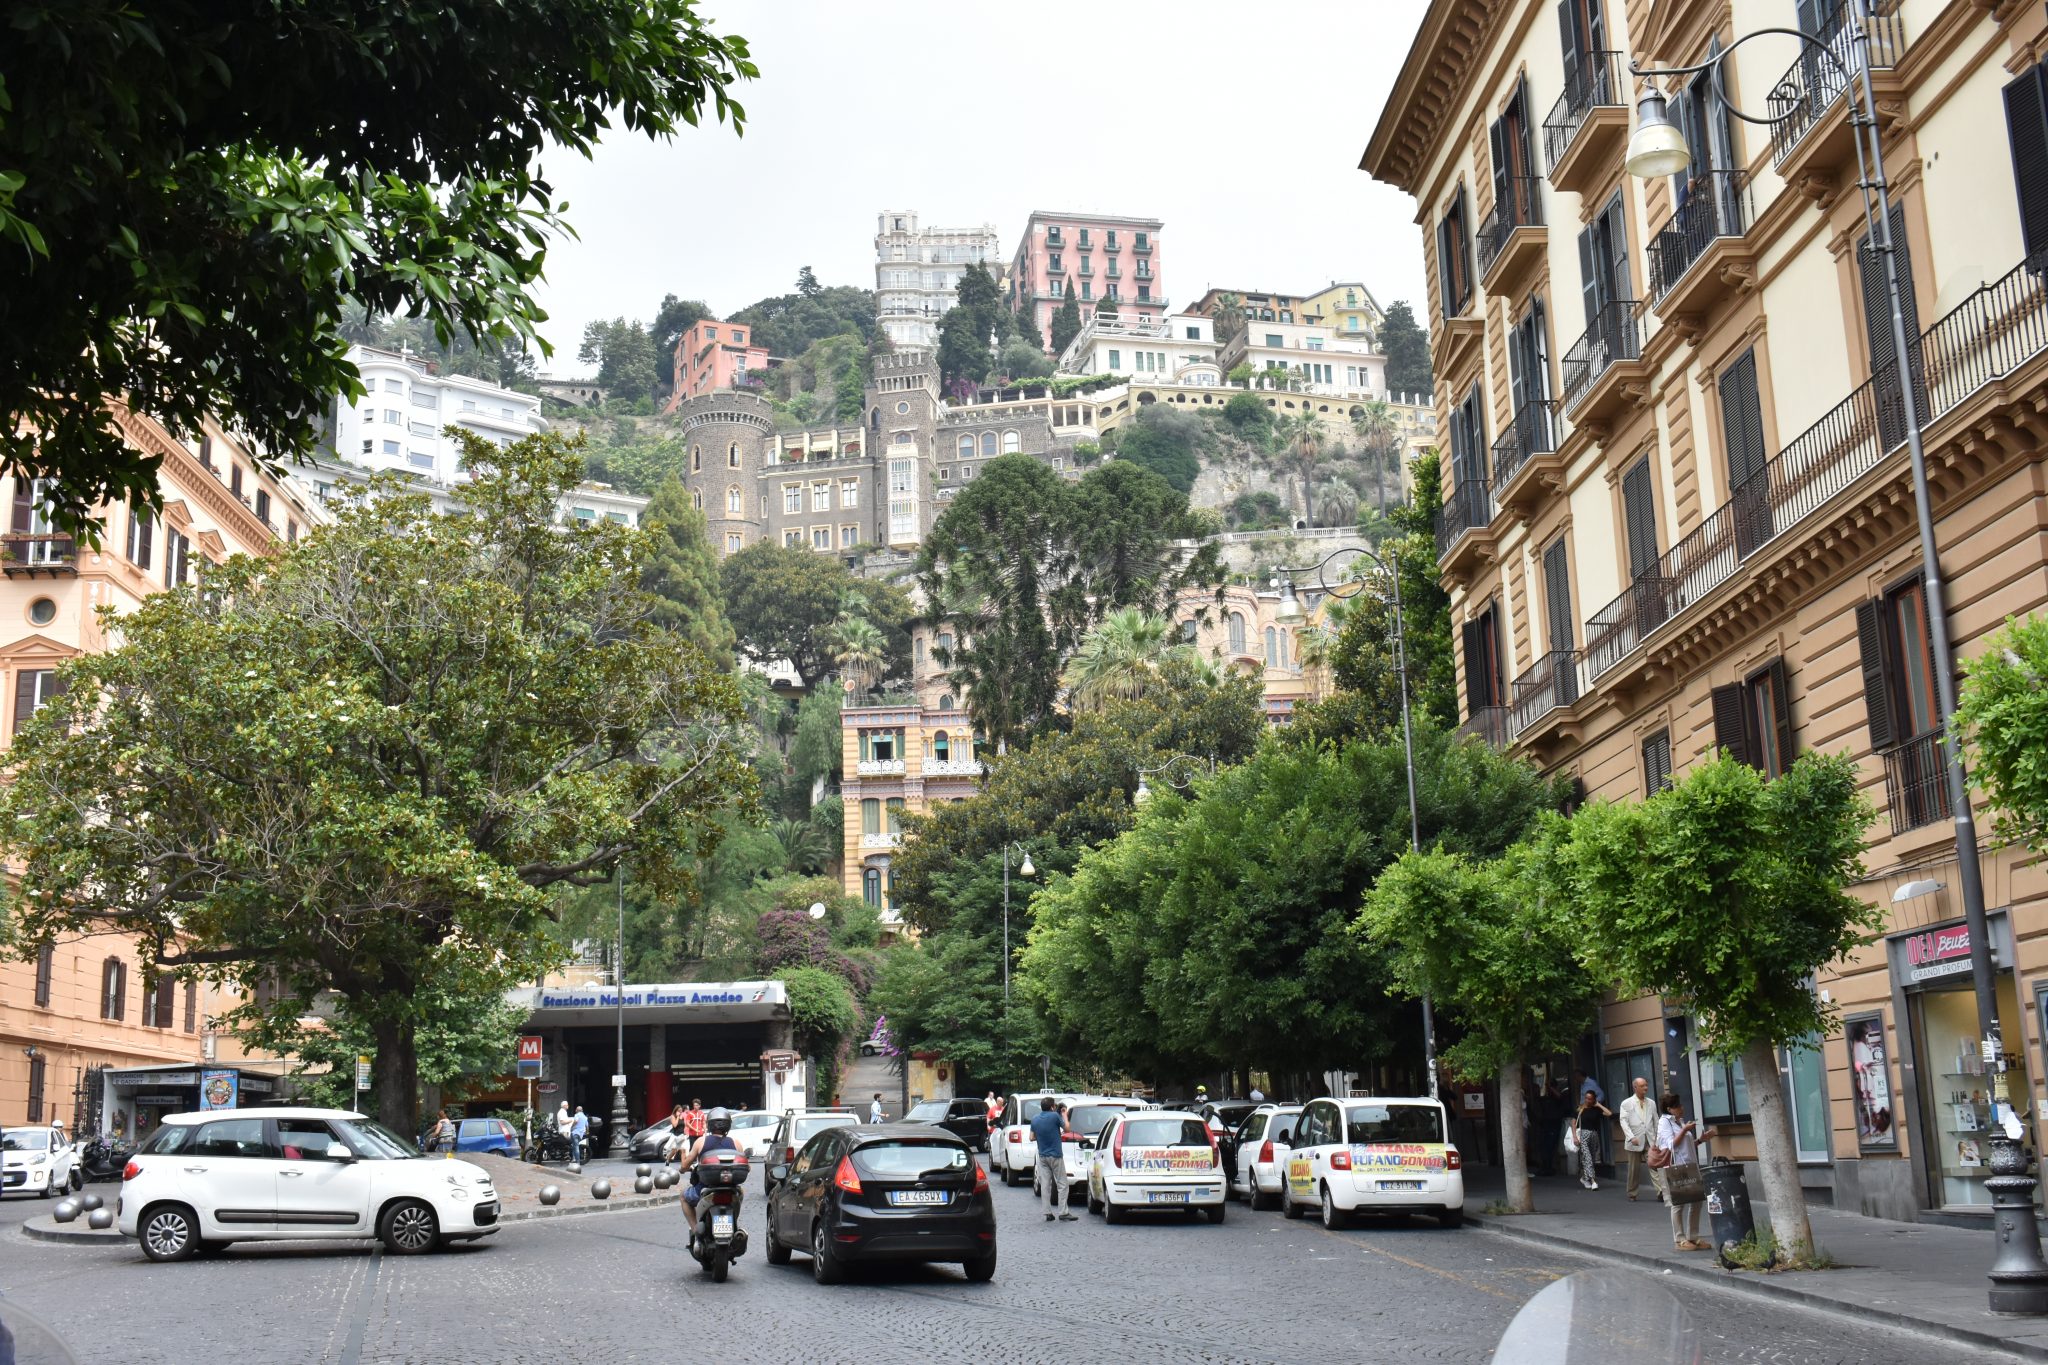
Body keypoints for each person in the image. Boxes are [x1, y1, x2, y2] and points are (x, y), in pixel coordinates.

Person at [1653, 1092, 1716, 1251]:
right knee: (1678, 1203)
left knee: (1696, 1200)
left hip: (1690, 1165)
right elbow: (1671, 1145)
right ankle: (1679, 1239)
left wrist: (1701, 1140)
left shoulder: (1679, 1121)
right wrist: (1684, 1130)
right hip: (1676, 1167)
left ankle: (1693, 1237)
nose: (1682, 1108)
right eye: (1678, 1106)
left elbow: (1685, 1147)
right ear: (1670, 1109)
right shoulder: (1664, 1122)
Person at [672, 1106, 739, 1250]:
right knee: (742, 1193)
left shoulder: (700, 1142)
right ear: (727, 1124)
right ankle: (735, 1223)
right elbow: (747, 1167)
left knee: (684, 1197)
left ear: (709, 1124)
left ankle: (696, 1231)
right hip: (731, 1189)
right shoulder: (736, 1143)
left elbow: (685, 1165)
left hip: (705, 1189)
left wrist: (683, 1160)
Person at [1029, 1097, 1075, 1222]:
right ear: (1051, 1107)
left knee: (1045, 1185)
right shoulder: (1055, 1117)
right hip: (1055, 1155)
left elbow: (1031, 1137)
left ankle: (1047, 1213)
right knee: (1062, 1184)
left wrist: (1043, 1135)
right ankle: (1063, 1212)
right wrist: (1064, 1114)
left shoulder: (1035, 1119)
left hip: (1042, 1156)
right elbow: (1067, 1129)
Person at [1616, 1077, 1656, 1201]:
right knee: (1634, 1169)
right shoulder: (1626, 1103)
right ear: (1635, 1087)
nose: (1646, 1088)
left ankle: (1661, 1192)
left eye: (1646, 1085)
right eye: (1643, 1086)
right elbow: (1623, 1121)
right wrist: (1631, 1136)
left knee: (1655, 1166)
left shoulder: (1651, 1102)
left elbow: (1656, 1120)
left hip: (1650, 1140)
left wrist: (1658, 1138)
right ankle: (1632, 1193)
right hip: (1634, 1140)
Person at [1573, 1088, 1612, 1190]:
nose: (1587, 1100)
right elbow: (1573, 1123)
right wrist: (1574, 1136)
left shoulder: (1596, 1109)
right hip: (1583, 1135)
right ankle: (1593, 1181)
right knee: (1587, 1158)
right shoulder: (1580, 1109)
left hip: (1594, 1134)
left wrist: (1599, 1105)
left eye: (1590, 1099)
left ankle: (1585, 1178)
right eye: (1586, 1098)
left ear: (1594, 1099)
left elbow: (1609, 1113)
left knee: (1592, 1159)